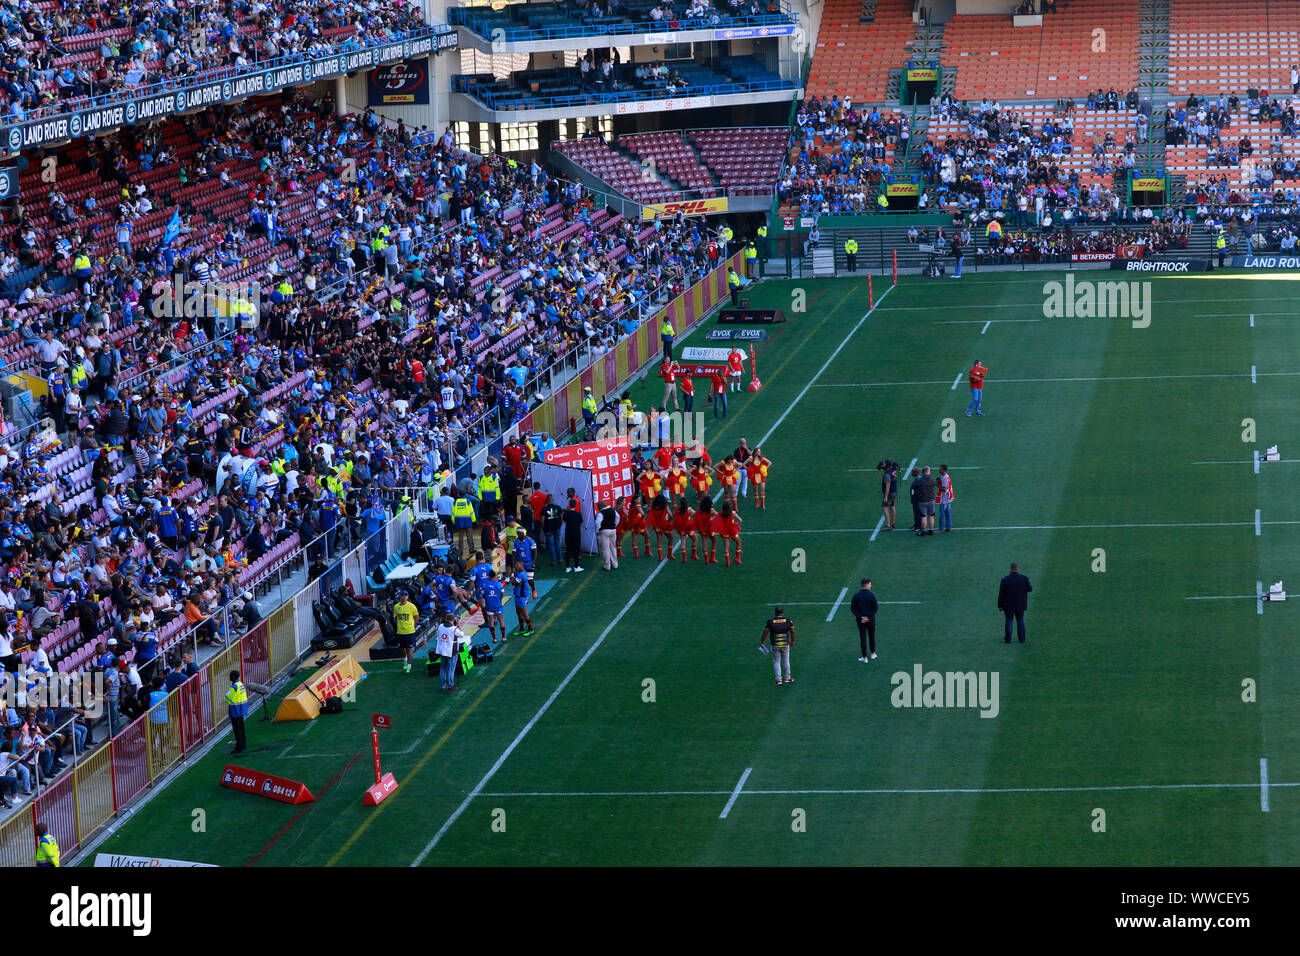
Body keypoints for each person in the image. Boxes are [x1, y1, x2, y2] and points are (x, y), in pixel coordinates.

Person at [760, 606, 796, 686]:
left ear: (775, 612)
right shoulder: (788, 621)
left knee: (776, 662)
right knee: (786, 660)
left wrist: (762, 642)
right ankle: (787, 678)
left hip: (774, 644)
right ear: (782, 612)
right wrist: (793, 641)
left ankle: (778, 680)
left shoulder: (770, 622)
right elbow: (792, 631)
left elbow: (765, 633)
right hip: (785, 644)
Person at [998, 562, 1033, 644]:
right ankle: (1022, 639)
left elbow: (1001, 594)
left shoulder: (1005, 579)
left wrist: (1000, 605)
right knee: (1020, 620)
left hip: (1008, 605)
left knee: (1009, 620)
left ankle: (1008, 640)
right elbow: (1030, 589)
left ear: (1010, 570)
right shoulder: (1024, 578)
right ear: (1017, 569)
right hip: (1020, 604)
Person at [850, 578, 879, 661]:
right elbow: (875, 608)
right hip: (870, 620)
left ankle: (864, 657)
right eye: (870, 584)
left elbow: (853, 609)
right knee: (871, 636)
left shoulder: (856, 595)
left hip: (860, 620)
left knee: (863, 637)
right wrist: (868, 617)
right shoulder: (871, 595)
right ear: (866, 585)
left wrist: (861, 617)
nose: (871, 585)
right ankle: (873, 653)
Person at [433, 613, 462, 692]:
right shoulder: (454, 629)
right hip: (451, 651)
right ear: (453, 619)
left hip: (442, 650)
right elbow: (461, 635)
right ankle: (451, 686)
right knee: (451, 669)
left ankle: (443, 686)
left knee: (443, 668)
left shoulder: (440, 626)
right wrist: (458, 626)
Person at [392, 590, 419, 673]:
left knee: (409, 649)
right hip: (400, 632)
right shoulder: (396, 607)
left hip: (409, 632)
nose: (404, 597)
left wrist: (412, 626)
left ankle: (409, 665)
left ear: (408, 596)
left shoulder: (412, 606)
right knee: (401, 648)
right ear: (399, 597)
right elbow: (395, 617)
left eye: (406, 595)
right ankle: (405, 660)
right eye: (402, 595)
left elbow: (416, 617)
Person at [509, 555, 533, 636]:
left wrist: (512, 576)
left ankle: (530, 629)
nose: (515, 566)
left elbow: (514, 583)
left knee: (524, 613)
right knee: (518, 613)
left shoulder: (521, 574)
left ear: (521, 565)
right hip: (517, 595)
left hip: (522, 596)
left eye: (517, 565)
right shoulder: (518, 573)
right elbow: (515, 583)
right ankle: (522, 628)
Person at [480, 569, 506, 644]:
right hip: (498, 605)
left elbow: (483, 595)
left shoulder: (484, 585)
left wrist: (488, 599)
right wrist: (499, 599)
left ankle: (494, 638)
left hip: (489, 606)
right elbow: (502, 593)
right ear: (494, 576)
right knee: (501, 621)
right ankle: (503, 637)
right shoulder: (498, 584)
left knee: (491, 622)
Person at [226, 670, 248, 753]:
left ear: (232, 677)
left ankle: (239, 747)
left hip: (235, 711)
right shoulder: (240, 685)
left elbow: (227, 698)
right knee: (241, 729)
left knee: (237, 730)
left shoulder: (234, 687)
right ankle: (243, 745)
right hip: (241, 710)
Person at [541, 493, 564, 566]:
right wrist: (559, 525)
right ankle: (560, 560)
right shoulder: (558, 507)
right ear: (552, 500)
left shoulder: (544, 509)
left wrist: (543, 528)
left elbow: (542, 520)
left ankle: (553, 562)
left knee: (551, 546)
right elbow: (561, 517)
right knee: (557, 544)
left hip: (548, 529)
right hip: (557, 528)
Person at [562, 496, 584, 572]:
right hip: (576, 533)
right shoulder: (578, 514)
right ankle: (576, 566)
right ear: (575, 505)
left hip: (568, 533)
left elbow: (564, 521)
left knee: (568, 550)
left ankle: (567, 567)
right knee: (576, 550)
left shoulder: (566, 514)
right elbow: (580, 523)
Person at [694, 495, 718, 564]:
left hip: (702, 529)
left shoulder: (699, 511)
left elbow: (696, 517)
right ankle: (712, 558)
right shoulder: (711, 510)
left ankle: (706, 560)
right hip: (710, 528)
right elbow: (718, 515)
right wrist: (712, 519)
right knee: (714, 541)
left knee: (705, 544)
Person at [597, 498, 619, 571]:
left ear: (600, 506)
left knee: (605, 549)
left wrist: (597, 530)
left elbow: (597, 523)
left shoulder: (601, 513)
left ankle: (607, 566)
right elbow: (618, 517)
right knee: (613, 547)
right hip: (613, 530)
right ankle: (615, 564)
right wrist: (614, 525)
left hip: (604, 531)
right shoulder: (613, 510)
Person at [916, 466, 937, 536]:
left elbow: (915, 487)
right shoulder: (932, 479)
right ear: (928, 471)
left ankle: (924, 531)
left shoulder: (919, 480)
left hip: (922, 500)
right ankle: (931, 530)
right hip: (931, 500)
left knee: (924, 517)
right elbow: (935, 485)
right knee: (931, 516)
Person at [879, 459, 898, 530]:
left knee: (885, 508)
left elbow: (888, 486)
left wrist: (886, 496)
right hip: (894, 492)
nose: (882, 465)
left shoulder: (887, 475)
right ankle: (893, 523)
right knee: (892, 506)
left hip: (889, 493)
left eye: (884, 464)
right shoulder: (892, 471)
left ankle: (888, 525)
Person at [936, 464, 955, 532]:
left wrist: (937, 485)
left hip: (944, 499)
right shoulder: (946, 476)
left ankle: (941, 528)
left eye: (940, 469)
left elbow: (944, 489)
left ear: (943, 470)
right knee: (948, 513)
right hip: (948, 498)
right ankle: (948, 527)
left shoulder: (944, 478)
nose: (939, 470)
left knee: (942, 513)